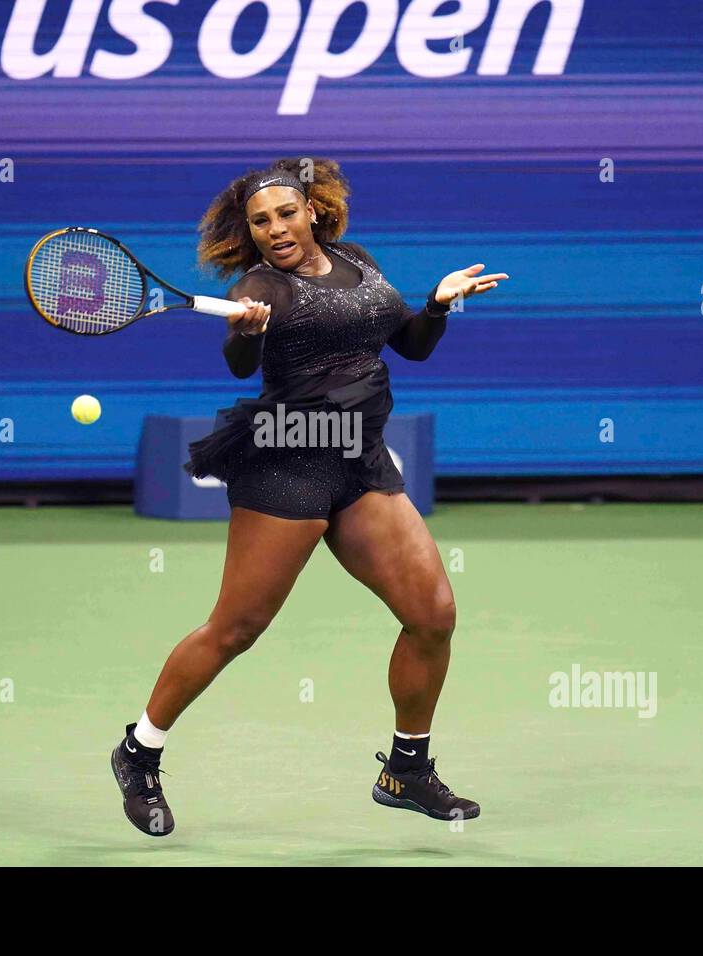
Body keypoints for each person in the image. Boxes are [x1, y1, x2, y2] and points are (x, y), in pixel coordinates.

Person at [110, 157, 509, 836]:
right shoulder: (262, 286)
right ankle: (138, 751)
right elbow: (240, 364)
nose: (274, 229)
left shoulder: (357, 259)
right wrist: (248, 329)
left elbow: (409, 346)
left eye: (285, 214)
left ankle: (406, 770)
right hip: (287, 463)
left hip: (360, 462)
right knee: (237, 628)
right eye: (260, 222)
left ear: (313, 211)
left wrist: (438, 305)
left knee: (432, 613)